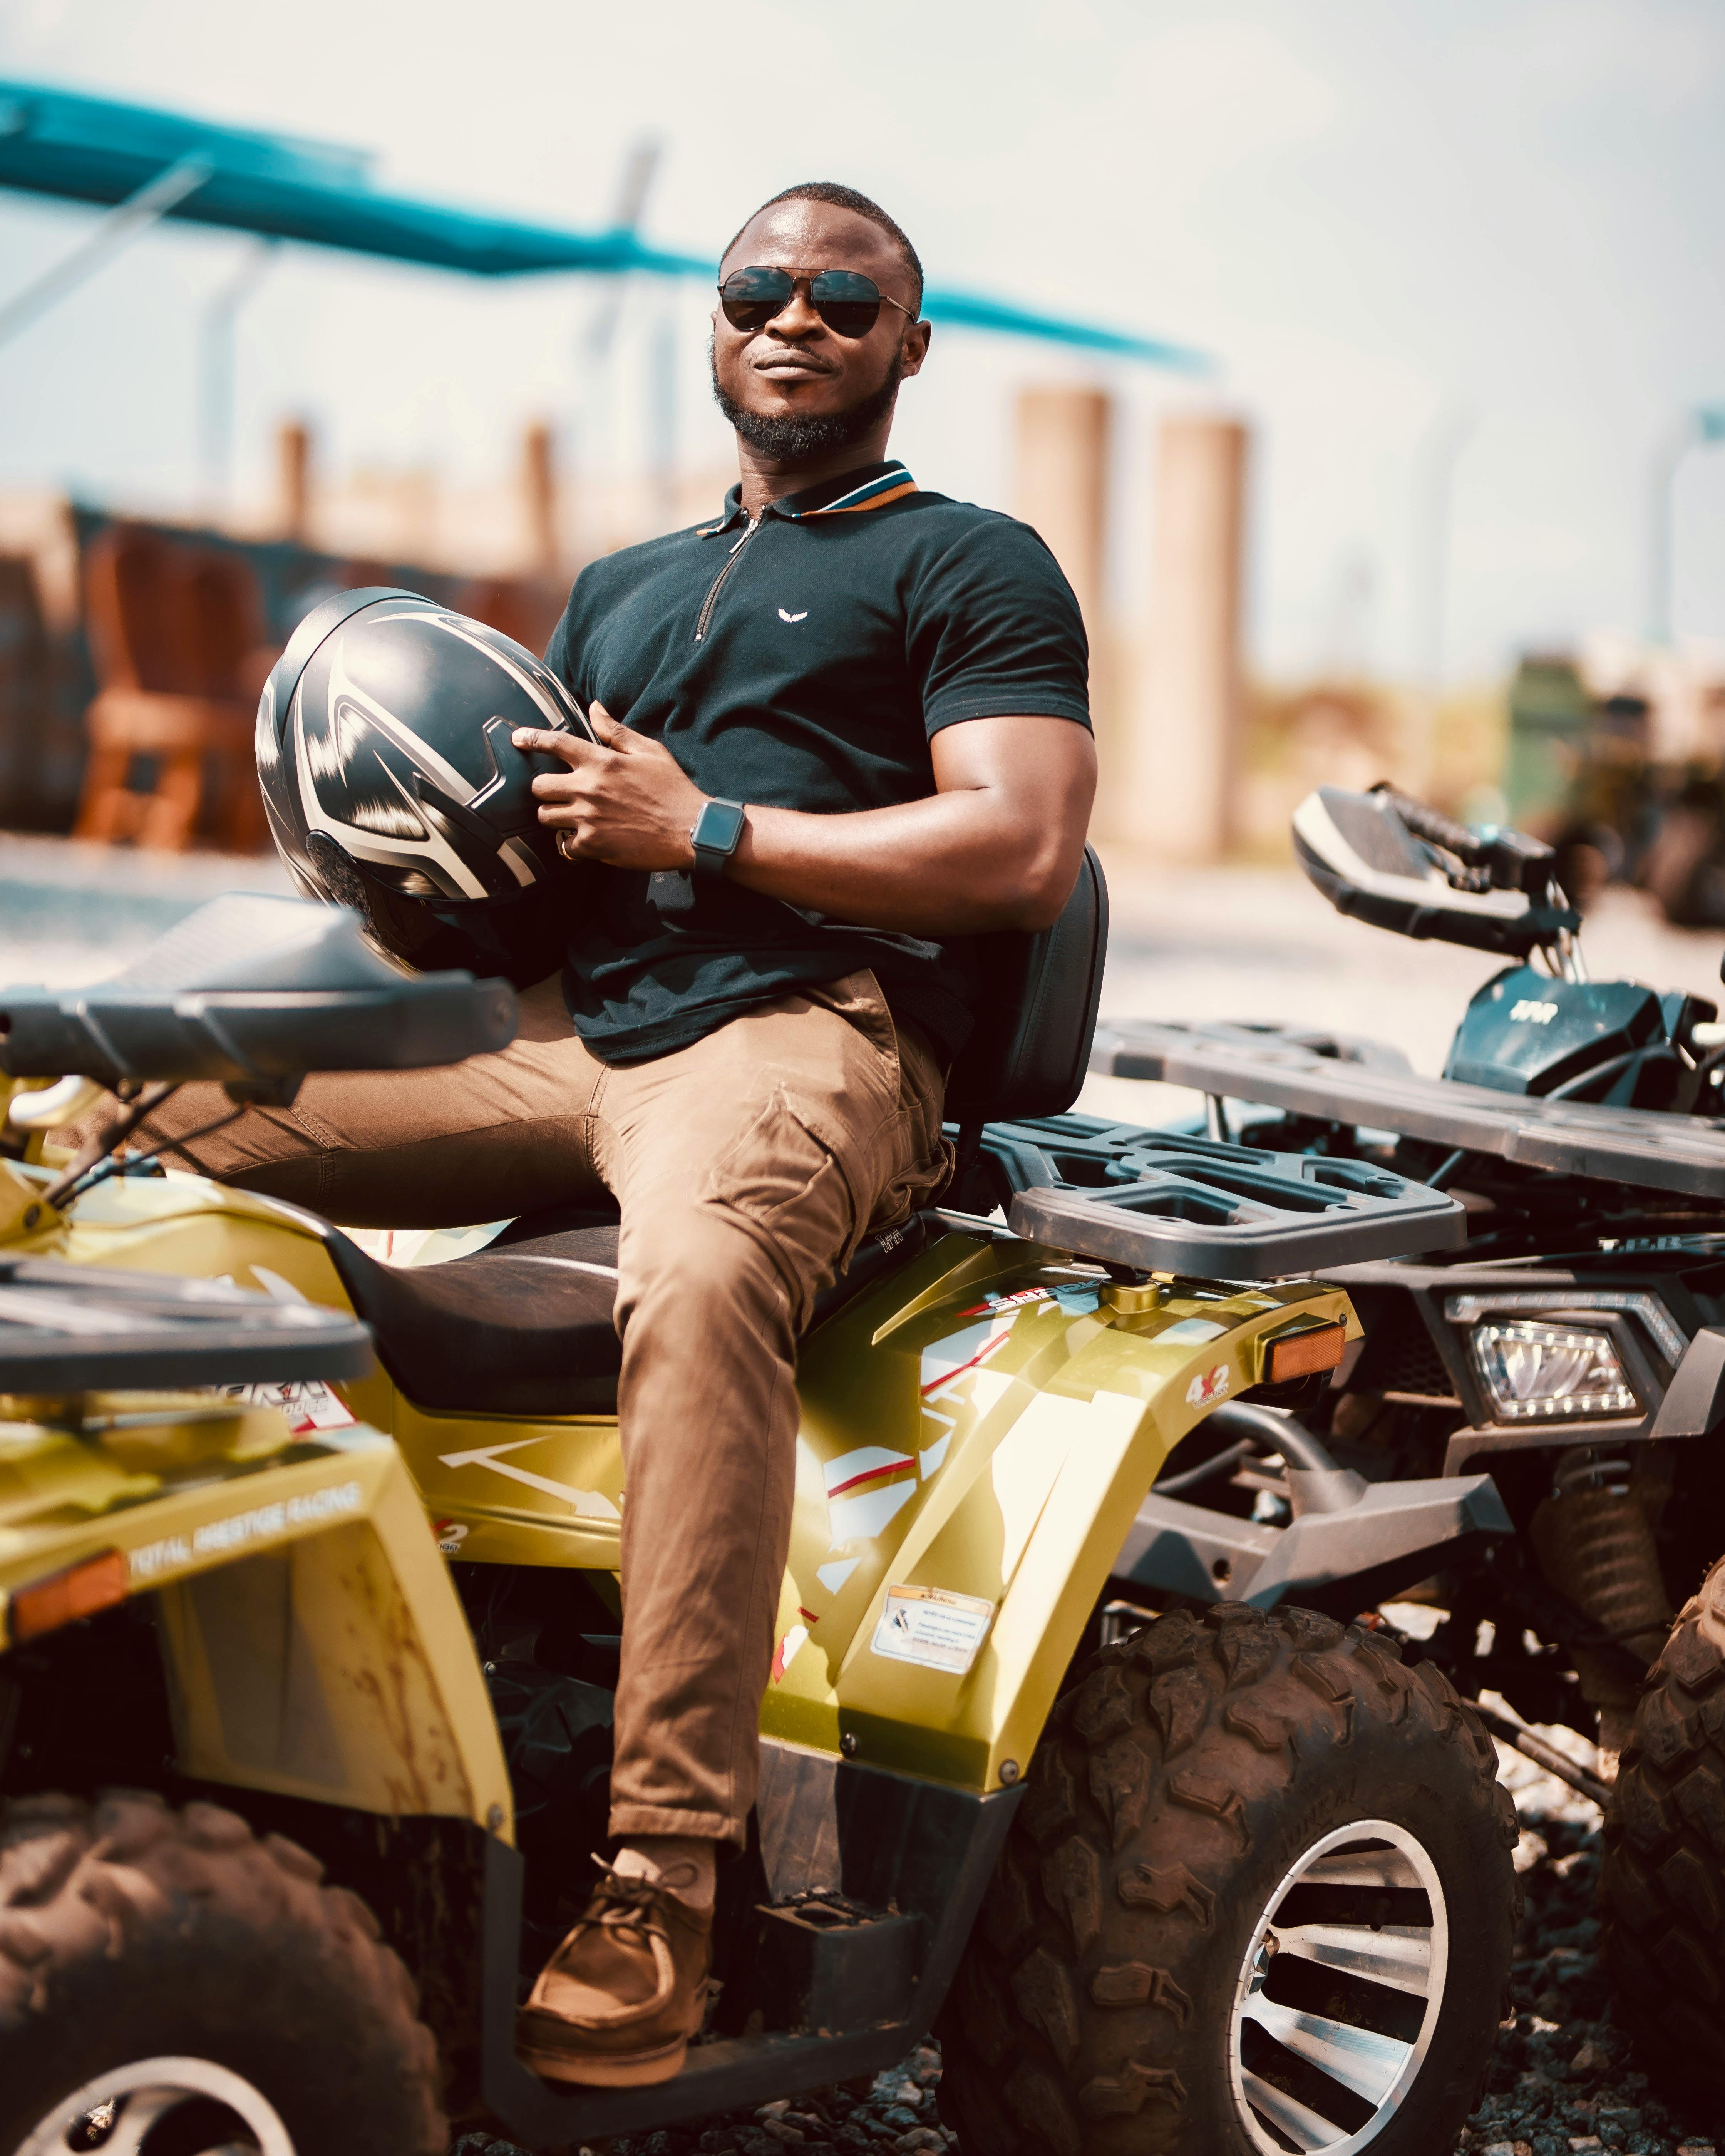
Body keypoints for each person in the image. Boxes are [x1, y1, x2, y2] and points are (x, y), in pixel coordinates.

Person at [132, 180, 1095, 2087]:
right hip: (572, 1032)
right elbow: (530, 879)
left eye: (846, 295)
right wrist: (396, 881)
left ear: (911, 345)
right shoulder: (624, 589)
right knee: (139, 1112)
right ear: (715, 323)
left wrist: (711, 830)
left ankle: (662, 1871)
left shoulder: (970, 565)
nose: (795, 316)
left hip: (806, 1034)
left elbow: (1020, 844)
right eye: (759, 288)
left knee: (706, 1271)